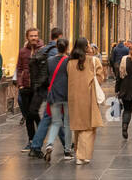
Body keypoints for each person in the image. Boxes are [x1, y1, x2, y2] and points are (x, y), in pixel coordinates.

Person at [26, 30, 73, 164]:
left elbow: (47, 76)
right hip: (63, 93)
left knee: (52, 118)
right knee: (60, 120)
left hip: (51, 93)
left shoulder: (49, 58)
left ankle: (55, 145)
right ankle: (64, 147)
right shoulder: (67, 60)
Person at [66, 36, 105, 165]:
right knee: (88, 127)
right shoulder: (93, 61)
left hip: (73, 97)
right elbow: (100, 78)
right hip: (89, 96)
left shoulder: (70, 62)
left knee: (78, 126)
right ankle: (82, 156)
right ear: (85, 47)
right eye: (88, 45)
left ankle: (79, 152)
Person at [15, 27, 42, 144]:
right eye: (31, 36)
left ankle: (40, 134)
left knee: (33, 112)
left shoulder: (42, 50)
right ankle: (31, 139)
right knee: (28, 115)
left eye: (35, 36)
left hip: (38, 87)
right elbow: (19, 68)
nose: (34, 38)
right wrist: (20, 84)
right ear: (27, 37)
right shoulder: (22, 51)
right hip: (25, 86)